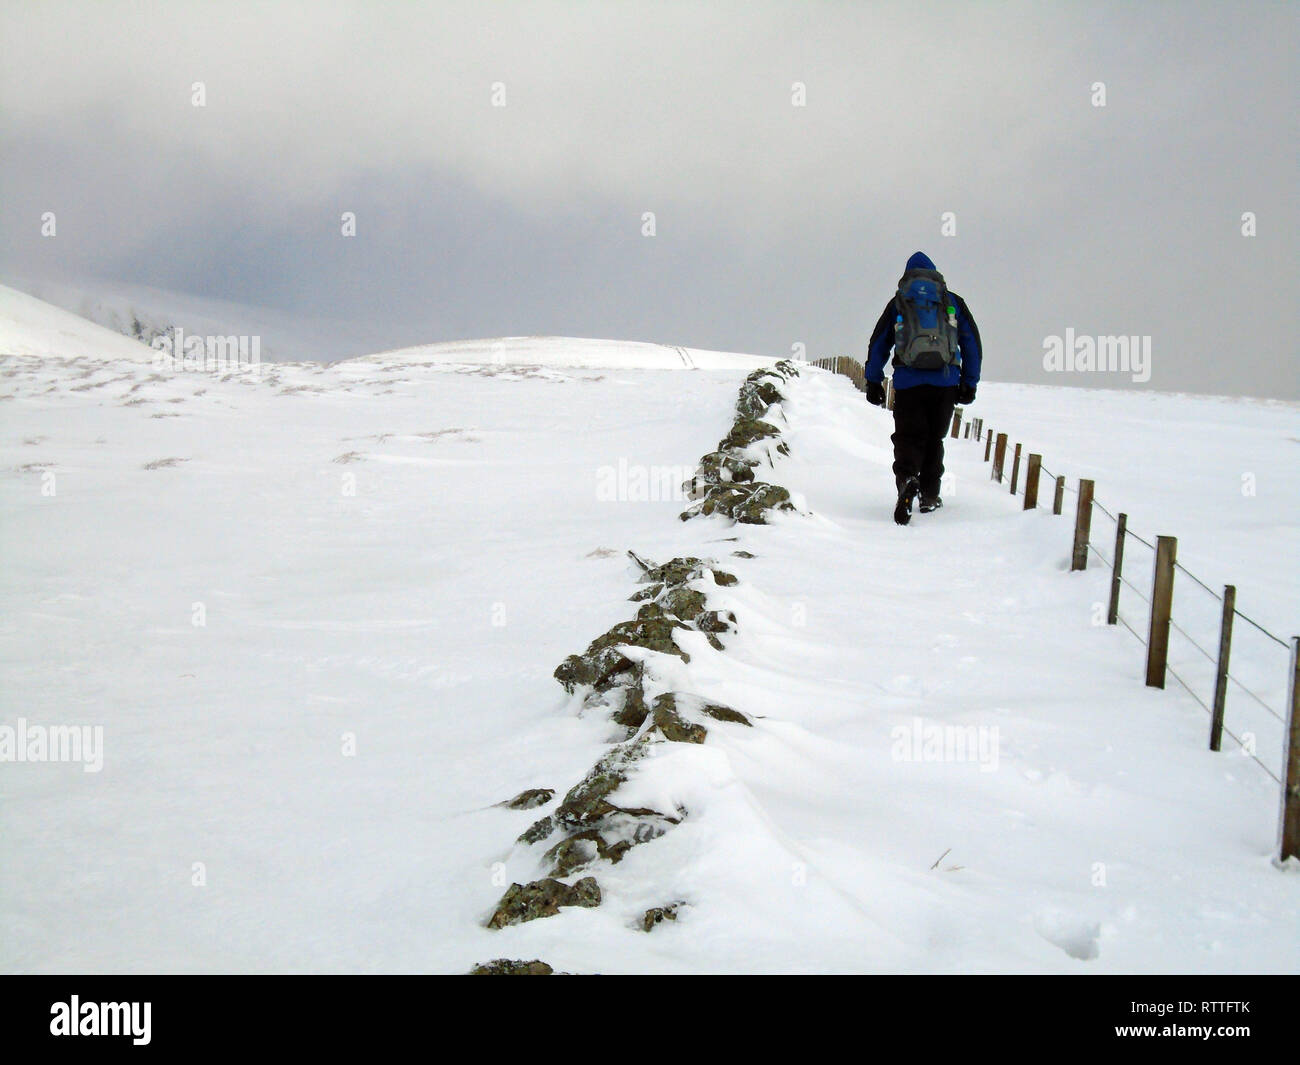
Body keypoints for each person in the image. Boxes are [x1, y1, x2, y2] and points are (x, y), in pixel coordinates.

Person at [864, 251, 982, 525]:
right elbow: (972, 344)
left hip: (908, 383)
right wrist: (969, 383)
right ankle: (929, 495)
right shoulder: (951, 301)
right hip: (945, 382)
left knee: (908, 438)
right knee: (933, 440)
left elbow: (879, 343)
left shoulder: (900, 302)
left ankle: (907, 479)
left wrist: (873, 380)